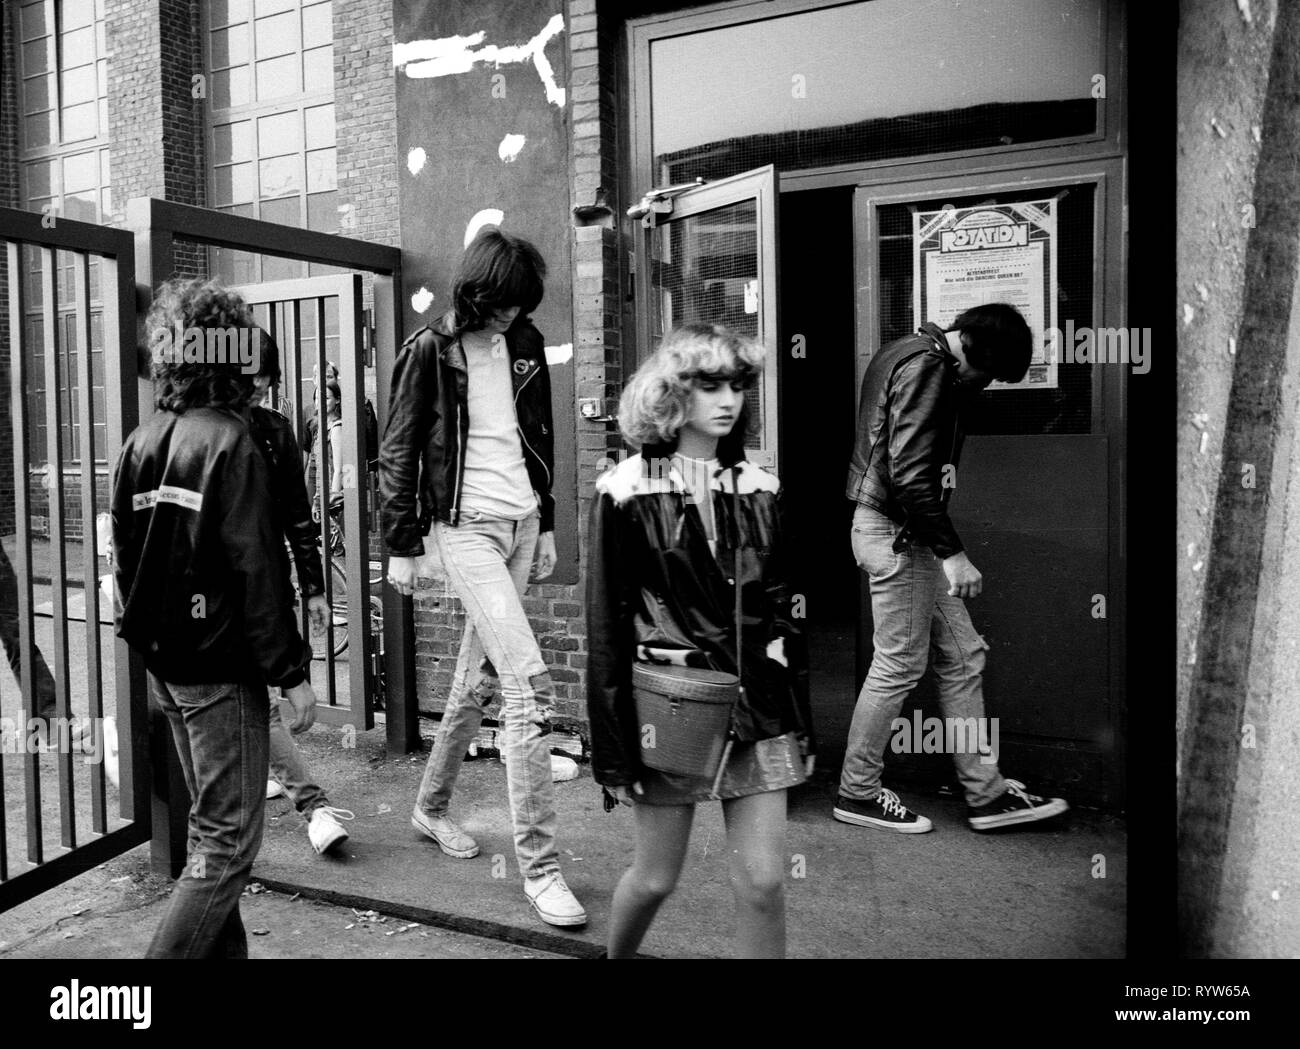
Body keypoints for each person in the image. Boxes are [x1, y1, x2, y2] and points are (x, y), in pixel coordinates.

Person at [586, 324, 814, 959]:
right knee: (657, 878)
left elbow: (786, 620)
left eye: (737, 385)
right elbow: (606, 631)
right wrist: (614, 753)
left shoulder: (762, 489)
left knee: (765, 883)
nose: (728, 399)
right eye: (708, 384)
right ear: (671, 394)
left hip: (759, 710)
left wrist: (801, 726)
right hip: (673, 711)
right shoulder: (625, 491)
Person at [380, 228, 585, 927]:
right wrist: (402, 545)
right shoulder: (429, 352)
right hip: (465, 530)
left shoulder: (524, 342)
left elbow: (539, 435)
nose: (511, 317)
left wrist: (549, 521)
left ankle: (430, 807)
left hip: (522, 524)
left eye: (521, 308)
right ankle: (542, 869)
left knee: (478, 678)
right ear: (476, 292)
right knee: (529, 686)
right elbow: (398, 450)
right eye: (502, 305)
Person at [112, 278, 317, 958]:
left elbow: (124, 565)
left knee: (209, 835)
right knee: (228, 847)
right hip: (219, 670)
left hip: (166, 664)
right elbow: (259, 572)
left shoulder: (140, 442)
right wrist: (293, 675)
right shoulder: (234, 443)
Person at [835, 303, 1069, 833]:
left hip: (899, 533)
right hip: (899, 535)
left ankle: (985, 795)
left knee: (964, 656)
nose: (983, 386)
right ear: (976, 351)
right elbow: (912, 478)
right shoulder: (929, 368)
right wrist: (953, 555)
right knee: (897, 666)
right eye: (987, 375)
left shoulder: (908, 350)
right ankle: (858, 792)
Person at [247, 331, 354, 855]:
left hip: (261, 588)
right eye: (252, 379)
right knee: (253, 708)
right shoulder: (187, 436)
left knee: (256, 707)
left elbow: (297, 513)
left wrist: (313, 584)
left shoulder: (272, 431)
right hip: (216, 606)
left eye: (265, 379)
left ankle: (308, 804)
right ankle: (310, 805)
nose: (260, 389)